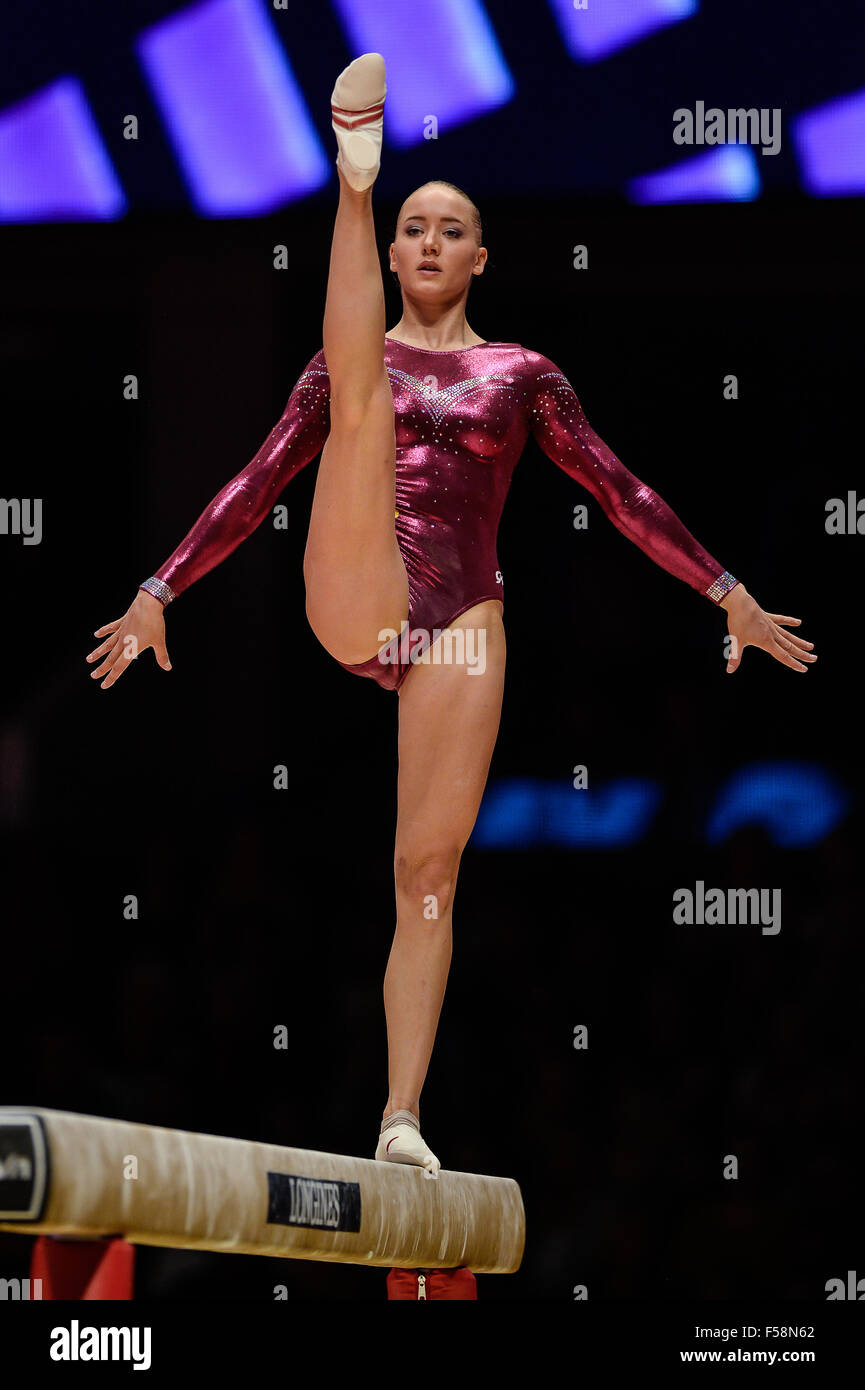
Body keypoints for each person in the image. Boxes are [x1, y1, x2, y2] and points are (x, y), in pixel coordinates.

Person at [86, 54, 816, 1179]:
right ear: (392, 251)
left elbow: (618, 491)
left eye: (449, 228)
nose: (430, 243)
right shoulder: (350, 365)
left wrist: (725, 591)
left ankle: (398, 1116)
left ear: (481, 257)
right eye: (413, 226)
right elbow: (255, 481)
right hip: (356, 590)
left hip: (462, 618)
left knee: (426, 874)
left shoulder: (523, 375)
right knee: (357, 395)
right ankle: (351, 175)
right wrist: (159, 588)